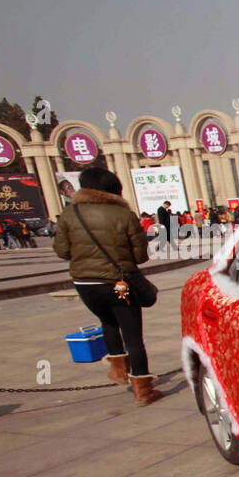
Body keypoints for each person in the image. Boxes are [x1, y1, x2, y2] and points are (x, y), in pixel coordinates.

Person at [53, 167, 164, 405]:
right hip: (117, 283)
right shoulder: (123, 215)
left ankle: (118, 370)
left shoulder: (71, 214)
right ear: (114, 189)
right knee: (133, 334)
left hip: (84, 284)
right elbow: (140, 255)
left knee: (108, 322)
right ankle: (143, 390)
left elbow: (62, 250)